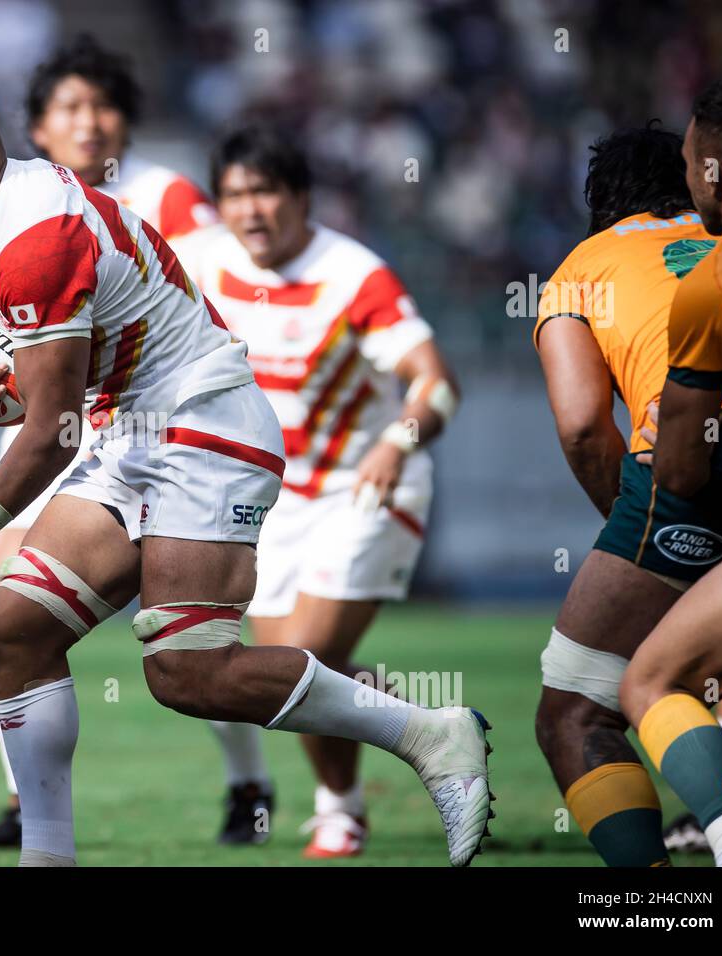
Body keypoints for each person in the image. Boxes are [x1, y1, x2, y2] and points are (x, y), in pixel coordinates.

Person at [0, 66, 492, 867]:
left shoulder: (40, 235)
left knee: (185, 674)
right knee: (16, 630)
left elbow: (53, 426)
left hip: (206, 425)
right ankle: (47, 857)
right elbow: (33, 391)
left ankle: (429, 734)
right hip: (126, 432)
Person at [0, 37, 255, 850]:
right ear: (39, 126)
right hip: (99, 416)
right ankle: (36, 826)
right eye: (68, 108)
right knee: (11, 621)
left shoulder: (151, 198)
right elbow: (6, 368)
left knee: (192, 664)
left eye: (101, 106)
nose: (86, 123)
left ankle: (261, 777)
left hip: (191, 410)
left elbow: (52, 410)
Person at [173, 126, 459, 858]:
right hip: (268, 500)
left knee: (297, 658)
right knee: (280, 678)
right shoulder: (202, 262)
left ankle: (345, 803)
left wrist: (398, 441)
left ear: (301, 198)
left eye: (266, 191)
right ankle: (379, 774)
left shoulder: (355, 274)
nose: (252, 210)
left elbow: (436, 382)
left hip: (361, 489)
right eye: (235, 194)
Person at [532, 123, 722, 865]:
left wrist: (633, 529)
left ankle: (660, 895)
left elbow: (580, 427)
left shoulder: (582, 266)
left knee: (576, 713)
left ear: (599, 203)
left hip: (696, 461)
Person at [618, 81, 722, 867]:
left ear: (712, 174)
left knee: (652, 680)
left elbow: (679, 469)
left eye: (687, 164)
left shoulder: (710, 279)